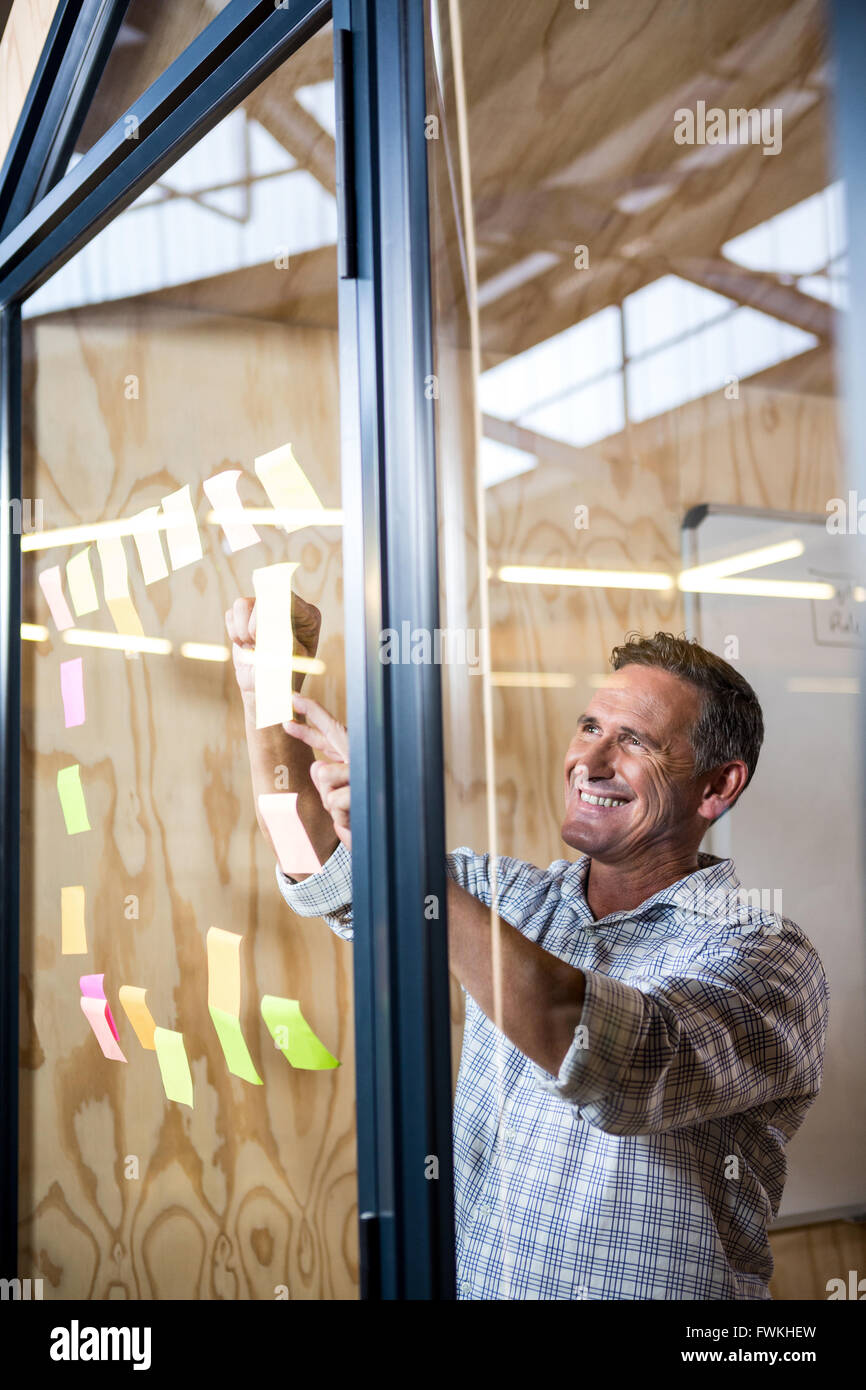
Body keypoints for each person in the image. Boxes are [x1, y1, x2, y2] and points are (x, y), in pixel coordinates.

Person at [225, 596, 829, 1301]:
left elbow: (612, 1061)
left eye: (636, 742)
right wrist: (264, 678)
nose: (590, 760)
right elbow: (312, 854)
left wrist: (405, 852)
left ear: (718, 785)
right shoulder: (505, 897)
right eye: (590, 727)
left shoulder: (766, 954)